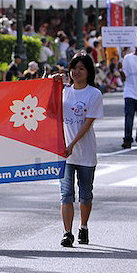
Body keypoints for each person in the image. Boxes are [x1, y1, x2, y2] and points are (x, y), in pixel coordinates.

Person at [58, 52, 103, 247]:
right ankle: (67, 233)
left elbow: (86, 124)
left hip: (84, 153)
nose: (76, 72)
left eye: (81, 68)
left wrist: (72, 144)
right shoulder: (64, 91)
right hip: (65, 154)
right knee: (66, 194)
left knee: (85, 194)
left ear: (88, 72)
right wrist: (52, 82)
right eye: (74, 68)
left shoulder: (94, 94)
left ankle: (83, 227)